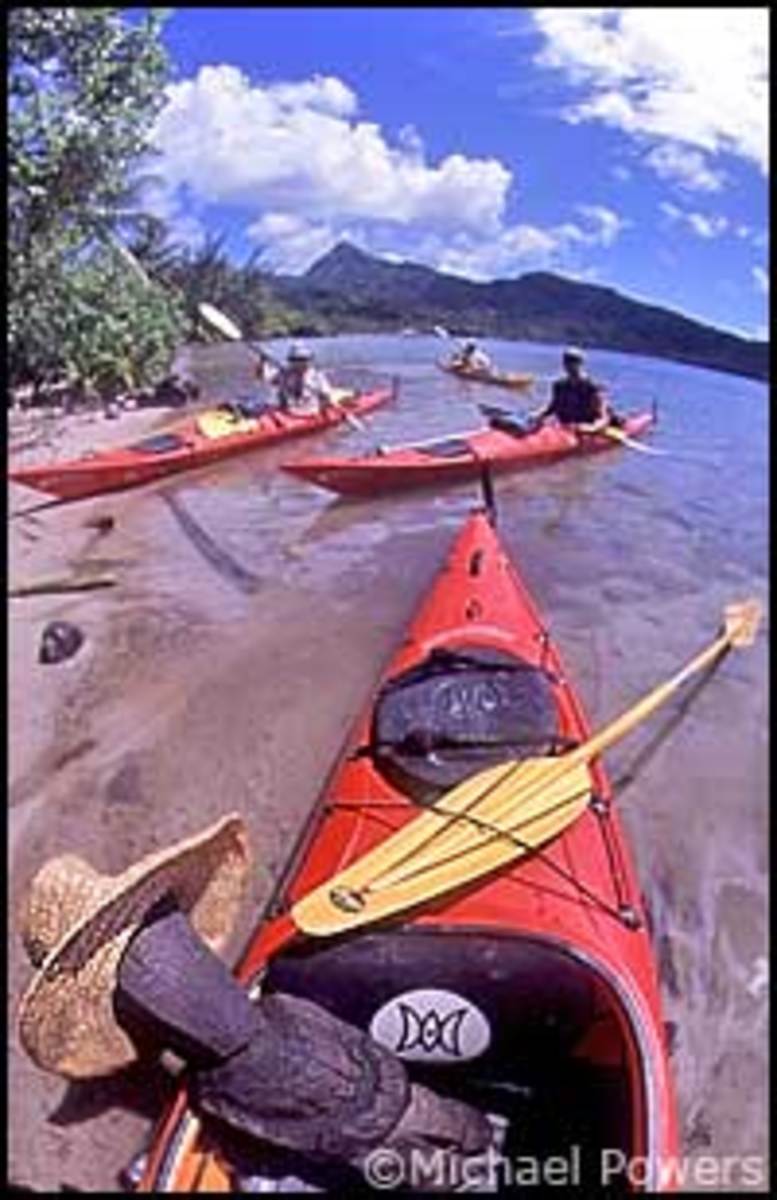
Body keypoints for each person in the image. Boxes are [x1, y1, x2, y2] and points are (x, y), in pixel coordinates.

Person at [16, 814, 493, 1189]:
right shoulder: (158, 915)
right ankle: (475, 1145)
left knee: (394, 1145)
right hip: (290, 1036)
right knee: (415, 1115)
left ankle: (466, 1162)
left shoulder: (140, 976)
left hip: (267, 1066)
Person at [529, 346, 620, 433]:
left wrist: (593, 428)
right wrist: (538, 415)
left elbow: (602, 417)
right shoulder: (559, 385)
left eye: (573, 361)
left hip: (585, 427)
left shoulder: (591, 388)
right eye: (567, 361)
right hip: (567, 427)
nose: (569, 365)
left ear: (580, 363)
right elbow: (552, 408)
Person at [258, 343, 337, 417]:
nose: (300, 363)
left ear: (309, 360)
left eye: (304, 359)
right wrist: (262, 361)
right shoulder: (284, 373)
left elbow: (326, 397)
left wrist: (324, 408)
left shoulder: (317, 376)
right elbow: (262, 377)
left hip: (309, 412)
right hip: (286, 411)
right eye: (296, 360)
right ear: (291, 361)